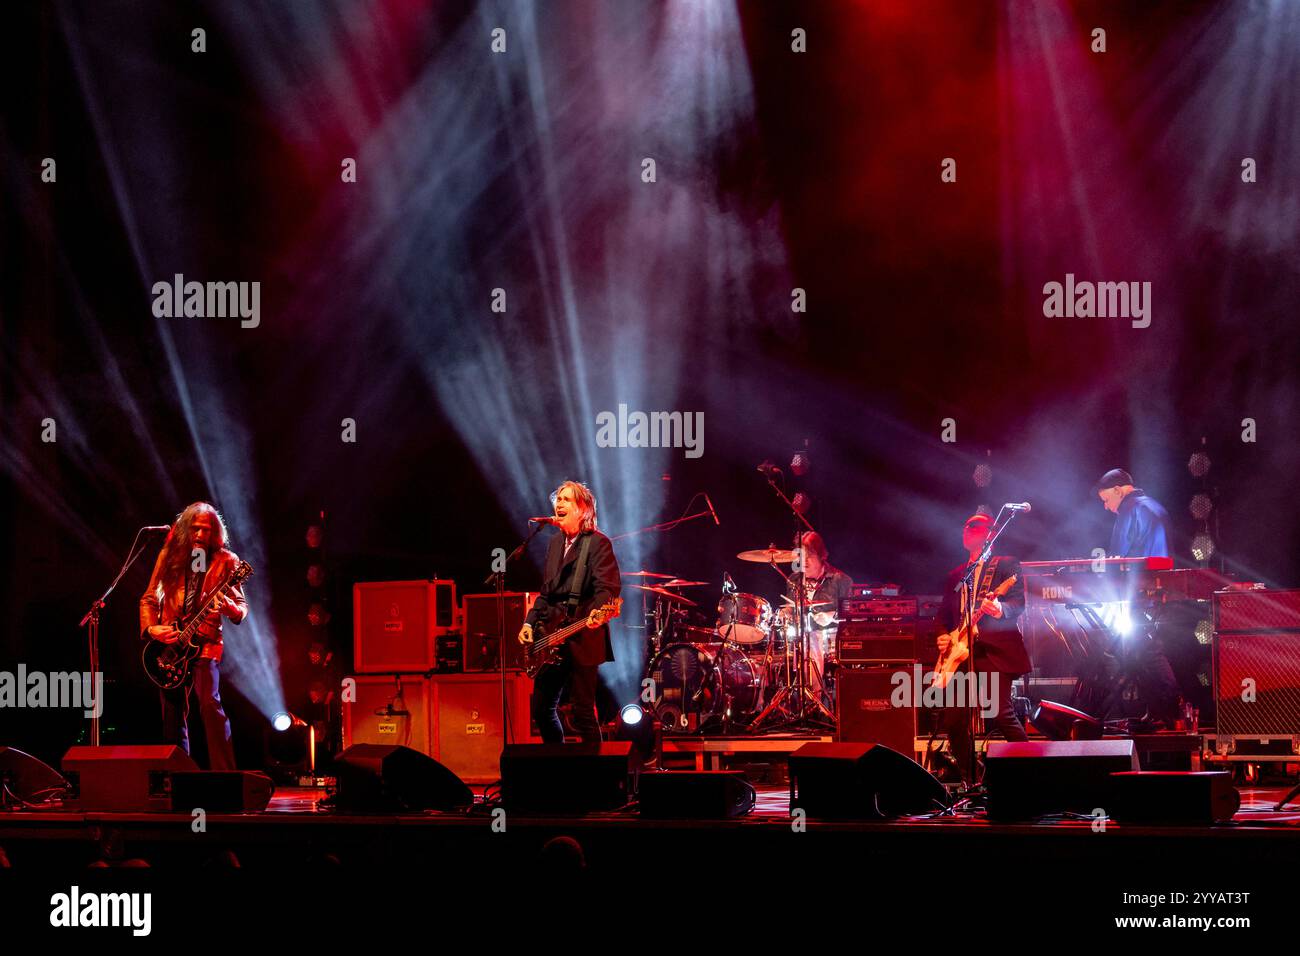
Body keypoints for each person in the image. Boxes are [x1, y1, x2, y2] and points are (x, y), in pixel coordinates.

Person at [139, 502, 247, 769]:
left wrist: (229, 607)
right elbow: (150, 598)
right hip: (172, 644)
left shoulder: (226, 561)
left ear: (215, 533)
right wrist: (152, 628)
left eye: (206, 530)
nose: (200, 535)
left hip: (206, 644)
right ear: (185, 529)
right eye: (195, 529)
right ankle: (177, 775)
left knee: (210, 705)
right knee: (172, 713)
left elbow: (241, 609)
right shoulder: (170, 556)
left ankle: (224, 774)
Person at [518, 480, 621, 744]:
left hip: (583, 635)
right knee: (542, 711)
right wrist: (529, 623)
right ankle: (560, 768)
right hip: (551, 637)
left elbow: (607, 588)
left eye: (566, 499)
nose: (559, 504)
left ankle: (598, 779)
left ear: (583, 509)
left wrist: (599, 612)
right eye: (558, 499)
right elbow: (546, 593)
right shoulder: (554, 544)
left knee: (582, 712)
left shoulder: (598, 543)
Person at [935, 512, 1031, 785]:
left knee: (1000, 712)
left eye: (975, 527)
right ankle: (971, 780)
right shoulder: (956, 575)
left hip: (993, 651)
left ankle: (1034, 770)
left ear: (991, 533)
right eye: (966, 526)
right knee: (954, 720)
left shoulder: (1006, 565)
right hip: (960, 652)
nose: (968, 530)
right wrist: (942, 637)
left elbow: (1018, 604)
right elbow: (942, 616)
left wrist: (1000, 609)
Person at [1095, 468, 1179, 723]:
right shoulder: (1154, 506)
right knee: (1146, 651)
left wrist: (1096, 577)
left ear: (1119, 490)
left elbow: (1117, 560)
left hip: (1141, 595)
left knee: (1144, 653)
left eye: (1107, 500)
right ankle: (1159, 711)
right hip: (1160, 591)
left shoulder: (1130, 510)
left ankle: (1167, 709)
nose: (1107, 508)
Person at [786, 531, 853, 705]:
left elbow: (854, 617)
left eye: (810, 556)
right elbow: (791, 611)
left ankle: (813, 701)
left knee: (813, 640)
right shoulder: (794, 581)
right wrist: (786, 613)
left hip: (832, 641)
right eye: (801, 556)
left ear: (821, 555)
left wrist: (833, 616)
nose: (804, 561)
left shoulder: (840, 580)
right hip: (801, 641)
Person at [1095, 468, 1172, 559]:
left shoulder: (1128, 509)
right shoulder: (1157, 506)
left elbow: (1116, 557)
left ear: (1117, 491)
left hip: (1144, 572)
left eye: (1106, 500)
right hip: (1167, 571)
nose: (1106, 507)